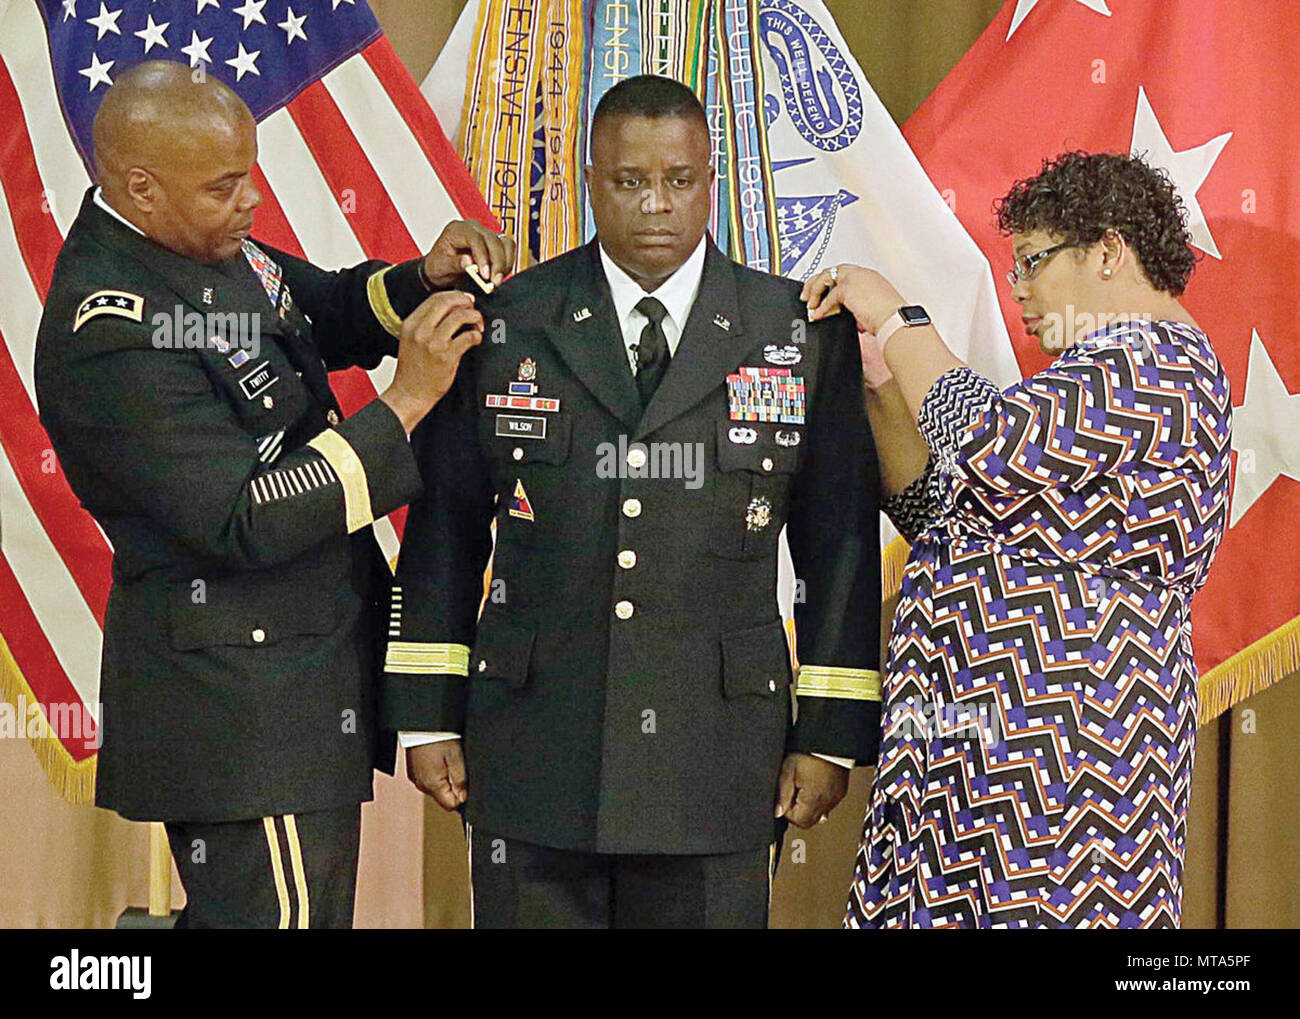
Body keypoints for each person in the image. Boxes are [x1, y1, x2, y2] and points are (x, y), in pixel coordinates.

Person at [383, 75, 882, 928]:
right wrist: (428, 713)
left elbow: (839, 547)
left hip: (717, 754)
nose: (657, 204)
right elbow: (446, 528)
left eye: (680, 181)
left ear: (711, 181)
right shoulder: (509, 321)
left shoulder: (794, 331)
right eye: (629, 181)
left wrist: (828, 731)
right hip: (535, 739)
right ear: (589, 180)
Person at [34, 61, 513, 929]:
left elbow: (314, 310)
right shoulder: (110, 330)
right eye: (225, 186)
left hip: (292, 682)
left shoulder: (198, 243)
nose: (251, 200)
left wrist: (416, 283)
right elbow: (241, 517)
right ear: (141, 187)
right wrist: (404, 403)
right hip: (240, 709)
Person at [802, 151, 1232, 928]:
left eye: (1033, 262)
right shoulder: (1084, 386)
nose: (1021, 291)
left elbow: (992, 442)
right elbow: (940, 512)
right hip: (970, 771)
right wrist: (881, 393)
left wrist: (898, 317)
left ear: (1109, 250)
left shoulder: (1154, 362)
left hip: (1068, 762)